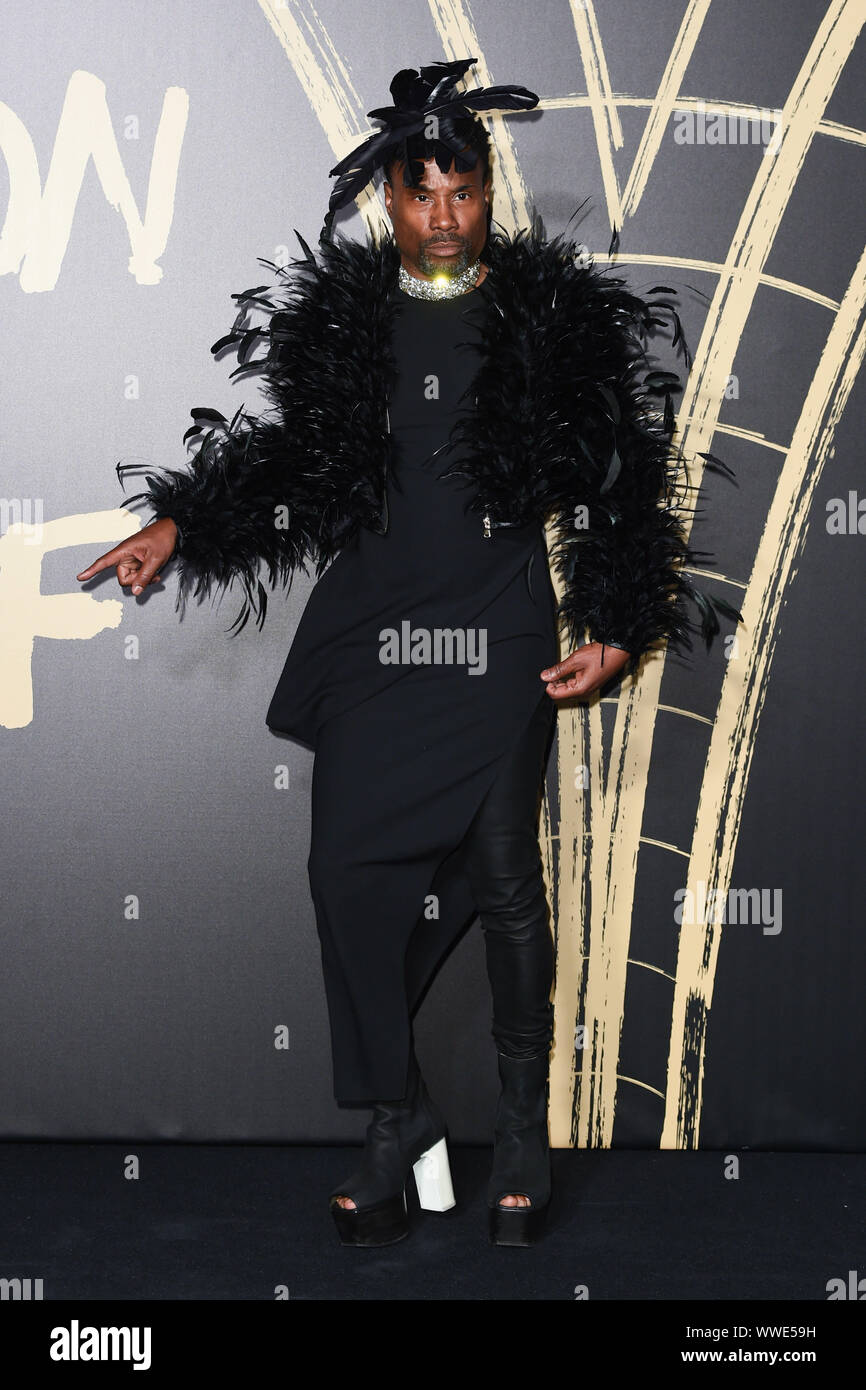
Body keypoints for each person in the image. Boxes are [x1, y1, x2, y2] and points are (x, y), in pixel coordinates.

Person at [76, 58, 738, 1249]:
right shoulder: (345, 324)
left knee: (501, 885)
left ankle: (522, 1134)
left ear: (490, 194)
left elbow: (616, 479)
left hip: (494, 633)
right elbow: (291, 470)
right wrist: (184, 522)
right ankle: (400, 1118)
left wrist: (618, 624)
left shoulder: (548, 319)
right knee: (344, 878)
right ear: (385, 195)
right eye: (418, 186)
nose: (440, 211)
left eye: (461, 187)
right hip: (376, 633)